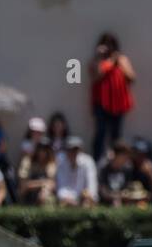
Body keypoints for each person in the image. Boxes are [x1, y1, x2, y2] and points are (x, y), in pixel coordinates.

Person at [90, 32, 136, 160]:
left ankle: (117, 161)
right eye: (106, 44)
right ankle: (97, 160)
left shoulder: (122, 59)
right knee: (100, 133)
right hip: (102, 103)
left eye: (111, 44)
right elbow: (97, 77)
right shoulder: (98, 60)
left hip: (118, 103)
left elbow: (132, 77)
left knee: (116, 136)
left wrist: (119, 64)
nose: (109, 47)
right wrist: (101, 58)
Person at [55, 136, 98, 206]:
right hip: (66, 199)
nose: (73, 153)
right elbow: (60, 186)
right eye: (70, 150)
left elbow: (92, 186)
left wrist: (88, 196)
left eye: (76, 150)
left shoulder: (88, 161)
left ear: (80, 150)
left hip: (84, 199)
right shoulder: (60, 161)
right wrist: (68, 199)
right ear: (66, 150)